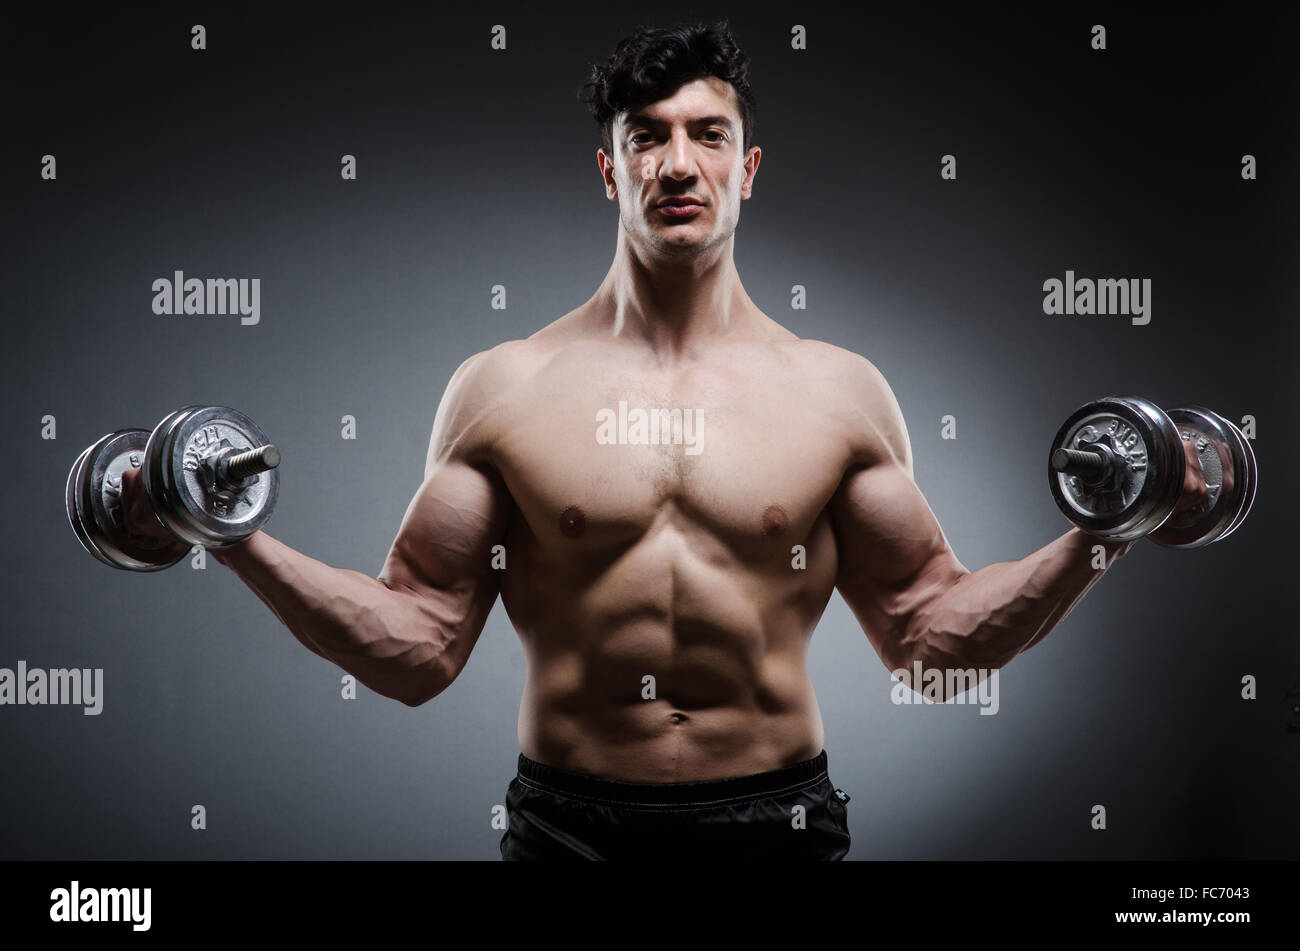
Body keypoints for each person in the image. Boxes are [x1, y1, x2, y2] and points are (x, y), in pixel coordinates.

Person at [120, 21, 1207, 860]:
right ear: (611, 170)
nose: (677, 163)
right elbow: (418, 648)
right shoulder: (504, 387)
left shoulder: (838, 391)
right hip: (568, 830)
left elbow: (928, 641)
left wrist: (1107, 530)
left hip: (777, 822)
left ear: (748, 167)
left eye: (707, 134)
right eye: (646, 136)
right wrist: (229, 536)